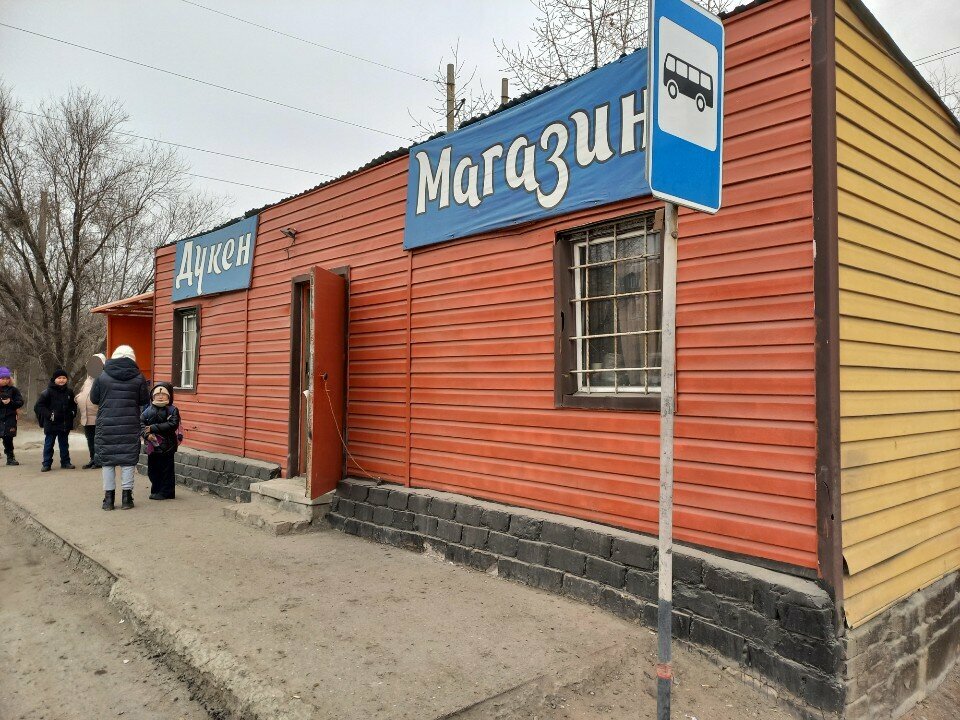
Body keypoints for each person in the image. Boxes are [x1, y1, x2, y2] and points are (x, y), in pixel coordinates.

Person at [91, 345, 149, 510]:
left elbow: (94, 399)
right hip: (129, 425)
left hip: (106, 426)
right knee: (128, 461)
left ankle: (108, 500)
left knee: (107, 462)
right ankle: (126, 499)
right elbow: (144, 400)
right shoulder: (139, 377)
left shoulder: (102, 376)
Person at [140, 382, 180, 500]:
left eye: (163, 394)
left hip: (168, 445)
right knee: (153, 470)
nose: (160, 396)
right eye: (157, 394)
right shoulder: (148, 410)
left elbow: (173, 424)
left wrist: (153, 428)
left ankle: (167, 492)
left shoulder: (172, 410)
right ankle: (156, 489)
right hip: (153, 446)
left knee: (166, 470)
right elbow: (141, 424)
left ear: (169, 396)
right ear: (153, 396)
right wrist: (147, 435)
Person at [35, 369, 78, 472]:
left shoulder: (69, 392)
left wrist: (72, 413)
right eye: (59, 378)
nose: (61, 380)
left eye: (64, 378)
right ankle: (46, 463)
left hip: (64, 423)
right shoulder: (47, 392)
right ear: (54, 379)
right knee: (49, 444)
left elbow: (73, 405)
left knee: (64, 444)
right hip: (51, 424)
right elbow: (39, 406)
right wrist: (49, 415)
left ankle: (65, 462)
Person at [75, 353, 106, 469]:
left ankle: (99, 460)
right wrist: (78, 398)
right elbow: (83, 392)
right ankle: (93, 459)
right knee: (90, 439)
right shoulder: (88, 379)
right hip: (86, 416)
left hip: (98, 415)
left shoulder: (104, 378)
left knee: (99, 440)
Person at [0, 366, 24, 466]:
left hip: (10, 418)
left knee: (8, 439)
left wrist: (10, 402)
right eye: (2, 378)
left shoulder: (14, 390)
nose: (5, 380)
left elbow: (20, 402)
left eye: (7, 378)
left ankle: (10, 458)